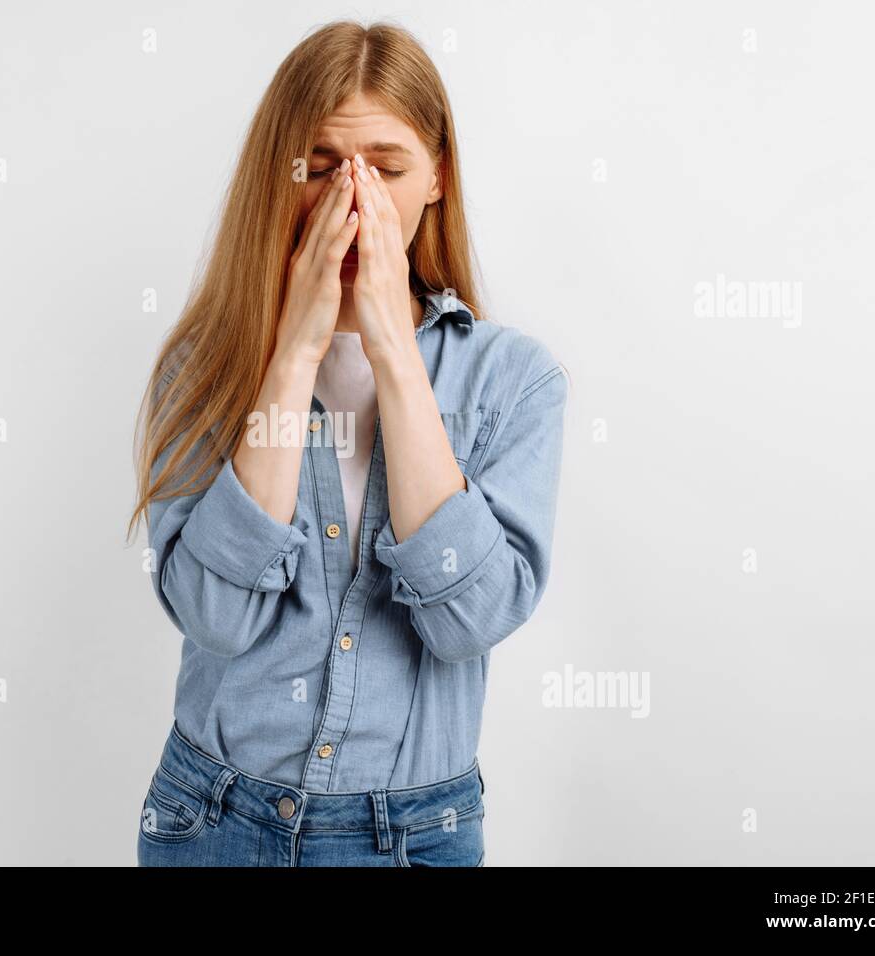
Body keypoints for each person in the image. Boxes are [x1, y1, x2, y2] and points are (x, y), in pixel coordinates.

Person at [127, 20, 568, 866]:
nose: (352, 197)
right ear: (279, 175)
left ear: (437, 177)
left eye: (387, 169)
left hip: (416, 836)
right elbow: (215, 616)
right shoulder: (204, 366)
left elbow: (470, 620)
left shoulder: (515, 381)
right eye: (321, 167)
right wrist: (294, 350)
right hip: (212, 820)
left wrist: (394, 353)